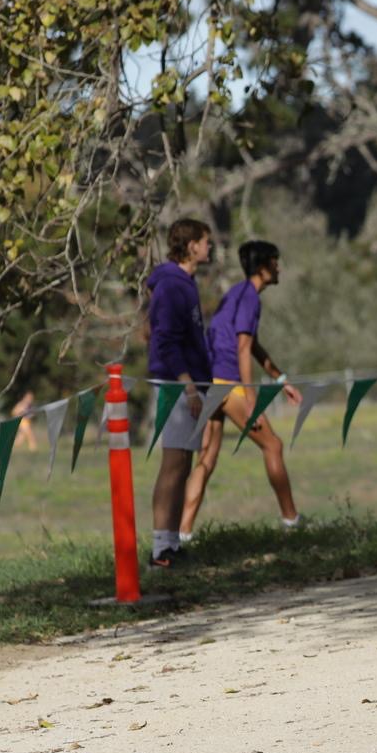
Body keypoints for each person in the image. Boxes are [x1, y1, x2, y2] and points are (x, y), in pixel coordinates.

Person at [179, 240, 303, 542]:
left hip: (211, 383)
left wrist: (280, 378)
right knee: (272, 446)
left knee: (206, 459)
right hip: (230, 384)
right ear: (263, 267)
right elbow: (243, 347)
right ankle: (291, 521)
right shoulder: (250, 298)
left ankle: (182, 534)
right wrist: (250, 400)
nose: (279, 267)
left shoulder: (235, 293)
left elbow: (253, 345)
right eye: (275, 262)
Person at [146, 217, 213, 567]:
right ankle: (159, 549)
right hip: (176, 385)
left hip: (191, 383)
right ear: (191, 246)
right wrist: (188, 385)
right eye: (205, 241)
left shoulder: (186, 283)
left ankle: (172, 543)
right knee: (172, 465)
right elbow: (165, 341)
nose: (210, 247)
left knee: (184, 463)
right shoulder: (171, 285)